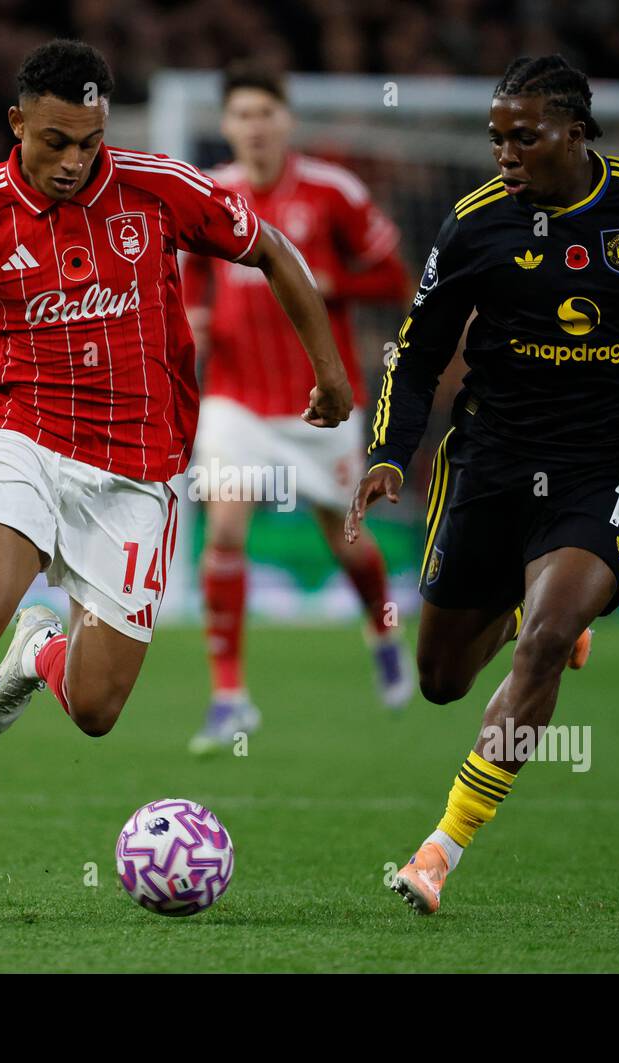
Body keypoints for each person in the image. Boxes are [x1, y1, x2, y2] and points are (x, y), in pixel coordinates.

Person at [0, 39, 351, 917]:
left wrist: (328, 372)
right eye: (56, 141)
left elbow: (276, 254)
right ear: (17, 123)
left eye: (90, 142)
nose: (74, 161)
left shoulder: (158, 187)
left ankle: (42, 650)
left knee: (97, 708)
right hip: (20, 439)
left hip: (140, 469)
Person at [345, 55, 619, 915]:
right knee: (442, 677)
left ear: (576, 132)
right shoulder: (474, 227)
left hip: (612, 462)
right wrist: (387, 453)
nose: (506, 154)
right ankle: (529, 606)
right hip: (494, 460)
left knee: (548, 639)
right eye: (496, 138)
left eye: (525, 136)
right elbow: (418, 349)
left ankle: (438, 852)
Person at [182, 64, 413, 753]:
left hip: (320, 399)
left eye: (265, 113)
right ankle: (229, 697)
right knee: (223, 529)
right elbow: (194, 273)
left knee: (346, 538)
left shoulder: (332, 192)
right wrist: (192, 327)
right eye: (242, 115)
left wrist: (329, 281)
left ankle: (382, 626)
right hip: (236, 397)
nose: (254, 126)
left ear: (287, 121)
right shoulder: (210, 194)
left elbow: (395, 278)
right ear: (226, 126)